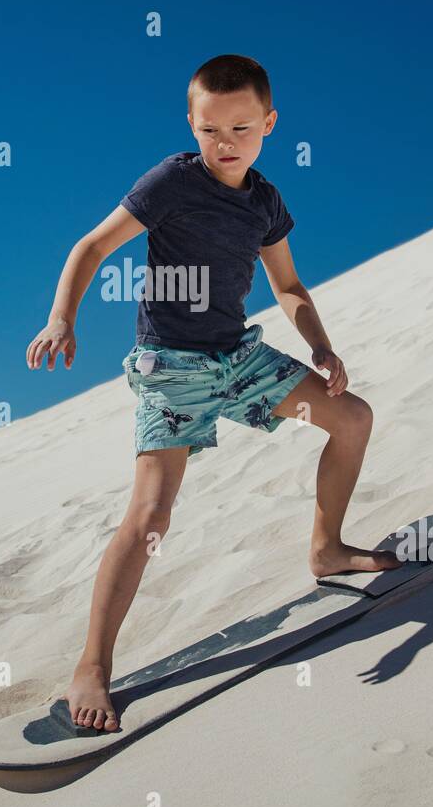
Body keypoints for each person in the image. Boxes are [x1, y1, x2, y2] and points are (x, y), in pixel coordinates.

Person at [26, 54, 400, 733]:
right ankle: (92, 665)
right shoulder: (172, 181)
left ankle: (327, 548)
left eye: (241, 128)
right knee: (150, 519)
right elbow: (92, 246)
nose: (225, 142)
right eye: (210, 129)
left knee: (352, 418)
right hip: (172, 369)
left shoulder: (264, 202)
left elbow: (287, 287)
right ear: (191, 125)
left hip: (239, 358)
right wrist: (62, 317)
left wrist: (319, 343)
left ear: (269, 124)